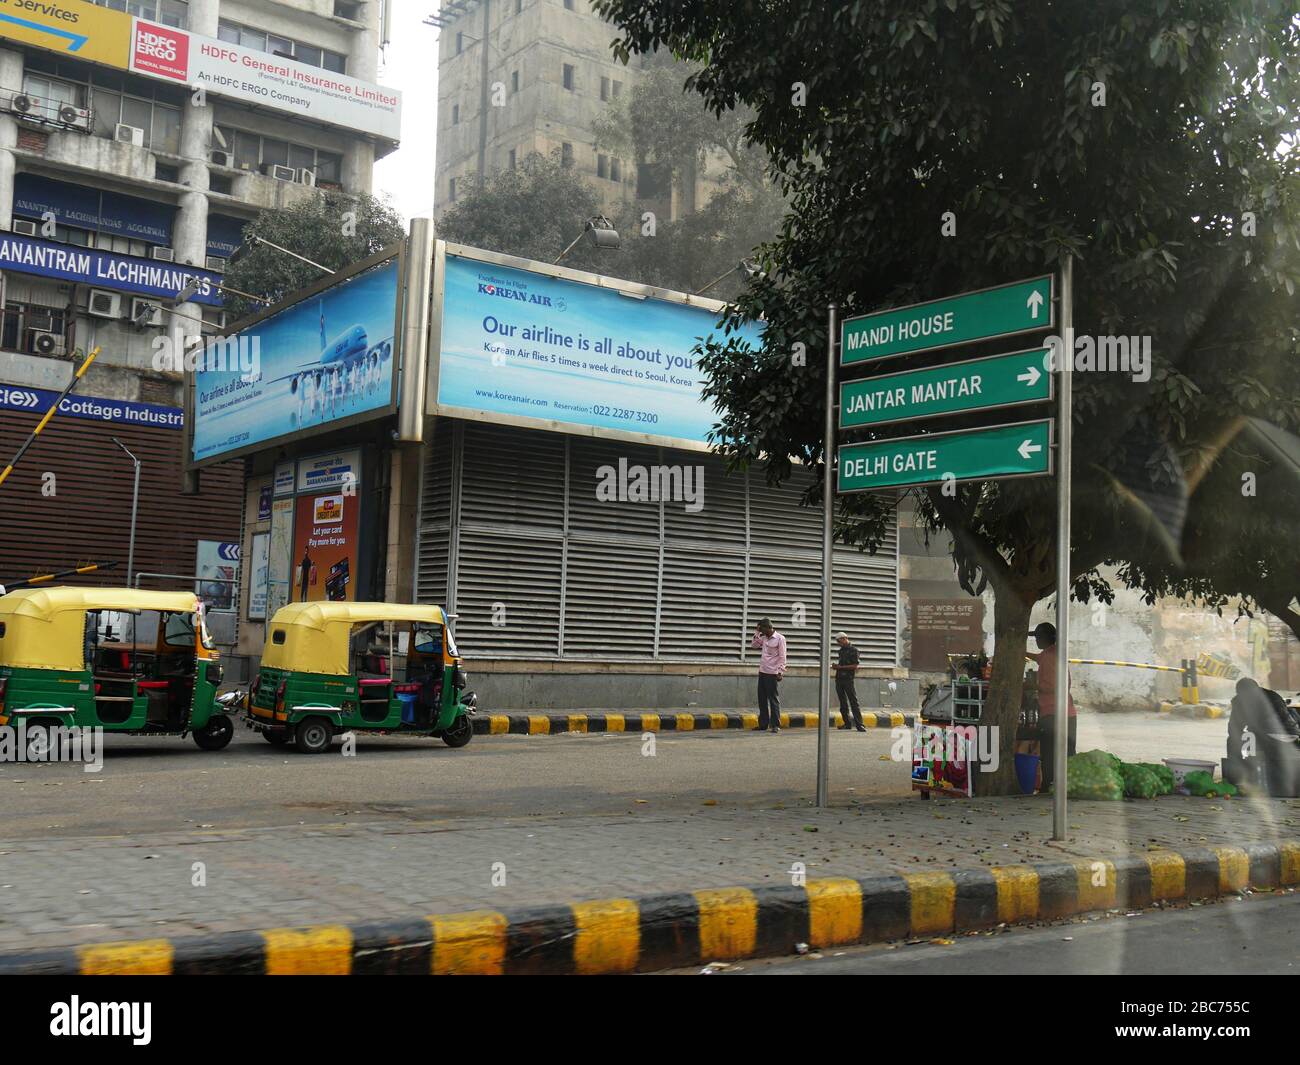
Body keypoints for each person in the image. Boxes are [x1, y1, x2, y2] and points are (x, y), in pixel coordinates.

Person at [1025, 621, 1076, 790]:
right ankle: (1068, 786)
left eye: (1038, 637)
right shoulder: (1054, 653)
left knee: (1049, 754)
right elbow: (1039, 658)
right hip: (1068, 713)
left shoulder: (1049, 657)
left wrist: (1031, 686)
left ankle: (1048, 786)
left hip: (1052, 713)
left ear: (1045, 638)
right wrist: (1023, 653)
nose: (1037, 641)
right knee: (1067, 754)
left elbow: (1053, 687)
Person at [751, 617, 787, 733]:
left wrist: (780, 672)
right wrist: (756, 632)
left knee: (773, 699)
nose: (761, 632)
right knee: (762, 699)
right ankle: (763, 724)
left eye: (762, 629)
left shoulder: (780, 638)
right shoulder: (764, 638)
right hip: (762, 672)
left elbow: (782, 656)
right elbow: (754, 645)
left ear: (768, 628)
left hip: (772, 674)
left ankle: (775, 725)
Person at [834, 631, 865, 731]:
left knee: (853, 702)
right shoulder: (841, 651)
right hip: (839, 679)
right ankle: (847, 723)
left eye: (839, 641)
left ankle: (859, 724)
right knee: (843, 703)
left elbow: (855, 666)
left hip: (848, 679)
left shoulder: (854, 650)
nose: (839, 643)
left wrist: (840, 667)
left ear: (844, 638)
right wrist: (837, 667)